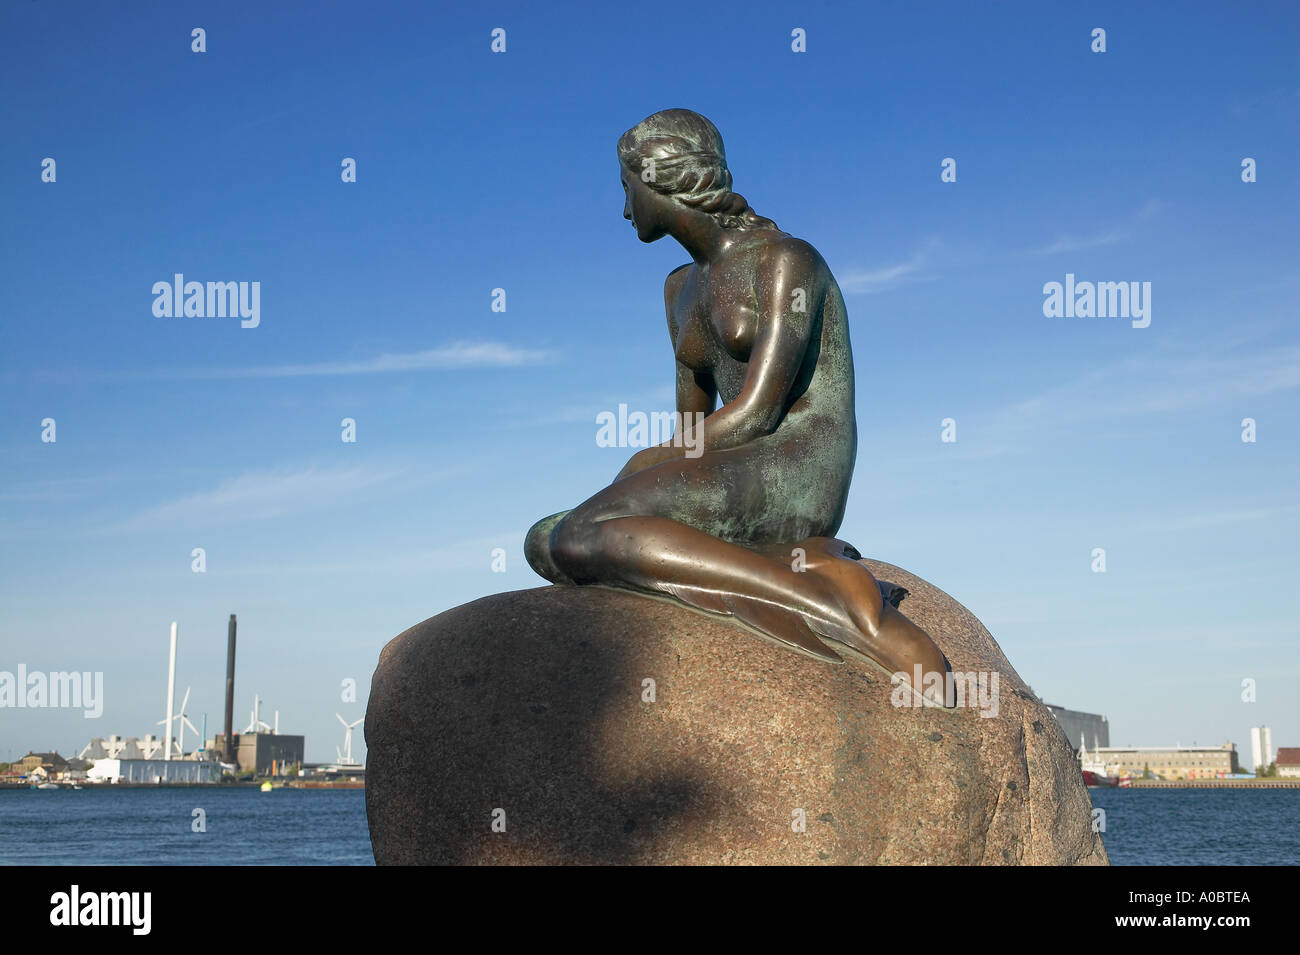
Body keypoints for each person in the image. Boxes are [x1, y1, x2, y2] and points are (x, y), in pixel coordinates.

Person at [525, 109, 949, 700]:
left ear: (661, 179)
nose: (625, 210)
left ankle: (835, 606)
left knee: (577, 536)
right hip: (734, 464)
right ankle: (783, 566)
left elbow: (757, 413)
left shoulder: (787, 261)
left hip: (798, 462)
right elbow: (692, 426)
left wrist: (644, 466)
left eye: (627, 190)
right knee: (545, 539)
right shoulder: (678, 289)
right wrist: (654, 467)